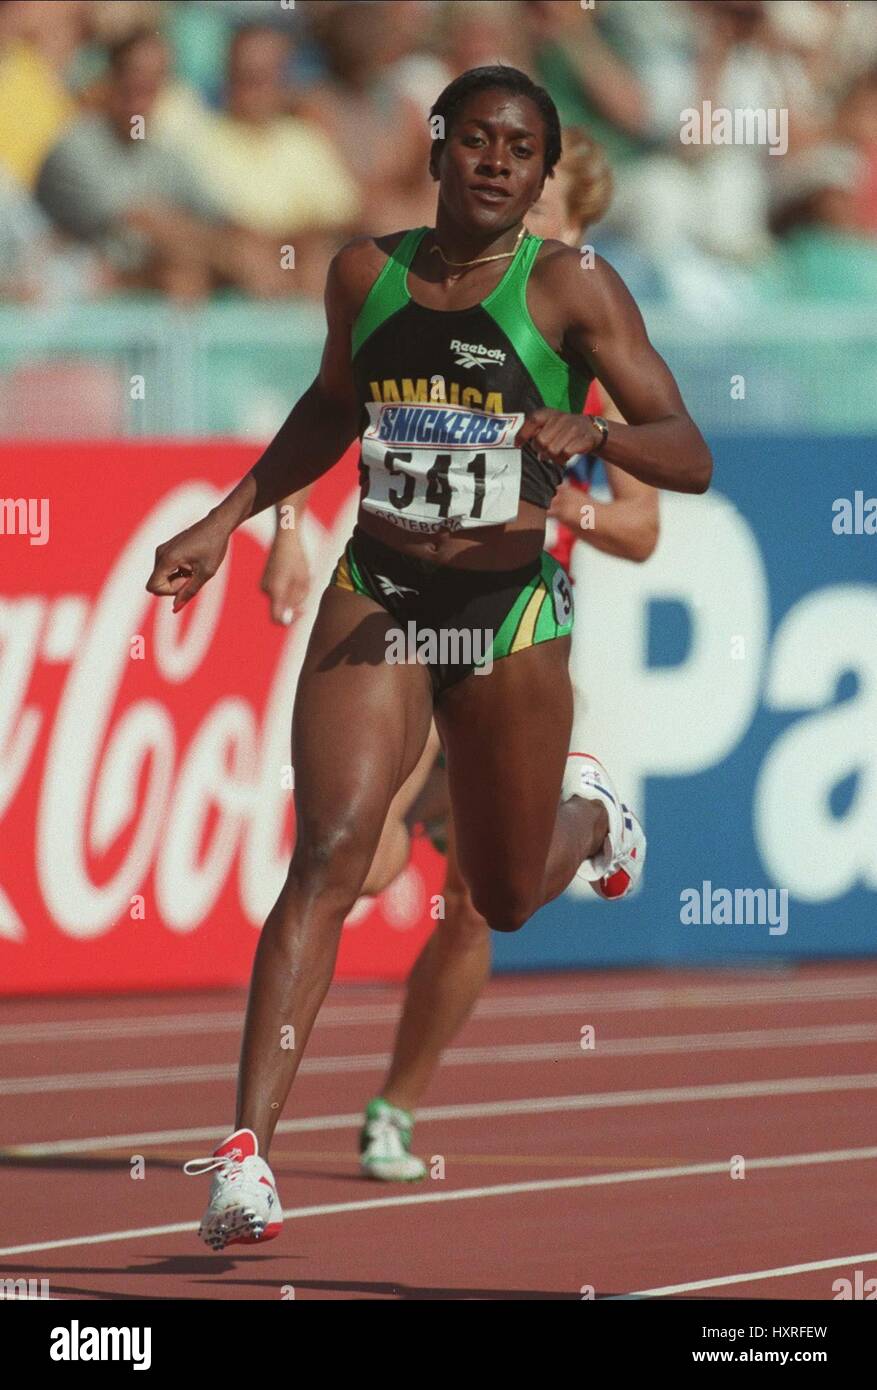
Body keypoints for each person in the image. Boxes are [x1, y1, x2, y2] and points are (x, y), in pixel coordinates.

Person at [148, 65, 711, 1250]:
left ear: (544, 175)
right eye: (479, 142)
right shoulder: (365, 271)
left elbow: (688, 451)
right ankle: (245, 1157)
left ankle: (592, 817)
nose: (499, 163)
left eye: (524, 150)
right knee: (333, 846)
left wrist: (594, 428)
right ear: (440, 145)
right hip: (382, 589)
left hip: (507, 613)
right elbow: (329, 409)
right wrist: (228, 517)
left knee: (500, 896)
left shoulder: (572, 288)